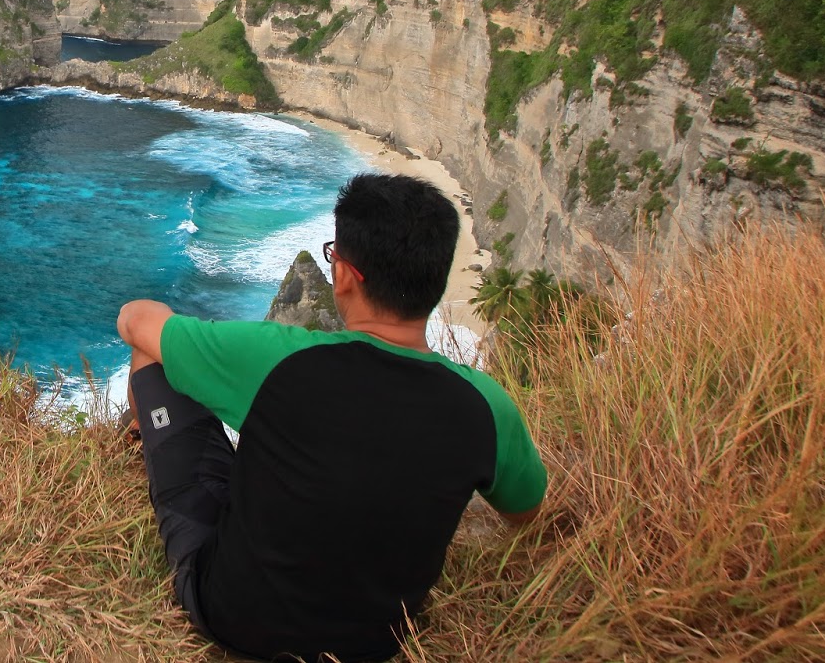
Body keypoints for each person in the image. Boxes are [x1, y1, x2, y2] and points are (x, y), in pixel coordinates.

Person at [116, 172, 547, 662]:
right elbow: (527, 514)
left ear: (344, 275)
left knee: (155, 357)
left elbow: (136, 319)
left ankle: (137, 433)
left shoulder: (275, 358)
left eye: (333, 256)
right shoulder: (488, 407)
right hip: (377, 641)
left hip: (233, 619)